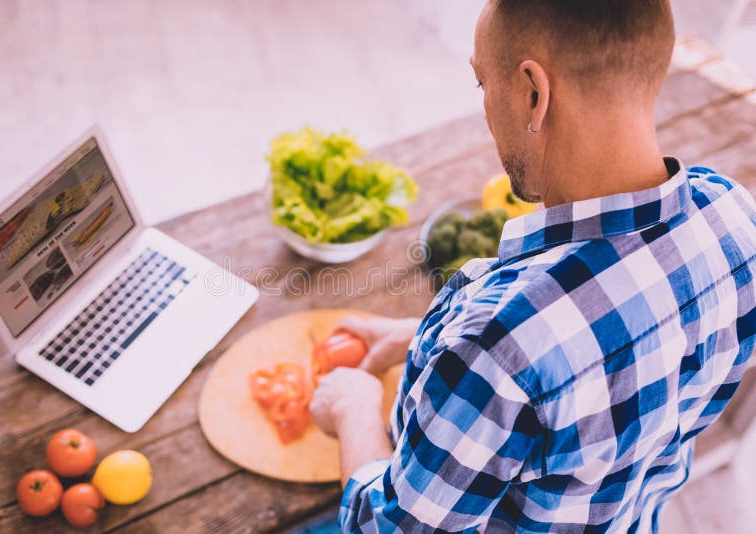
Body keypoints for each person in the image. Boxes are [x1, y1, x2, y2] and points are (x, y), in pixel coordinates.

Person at [309, 0, 756, 532]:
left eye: (482, 84)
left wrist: (354, 409)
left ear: (533, 93)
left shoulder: (495, 342)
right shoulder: (732, 217)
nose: (484, 107)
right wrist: (425, 340)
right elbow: (608, 356)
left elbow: (383, 528)